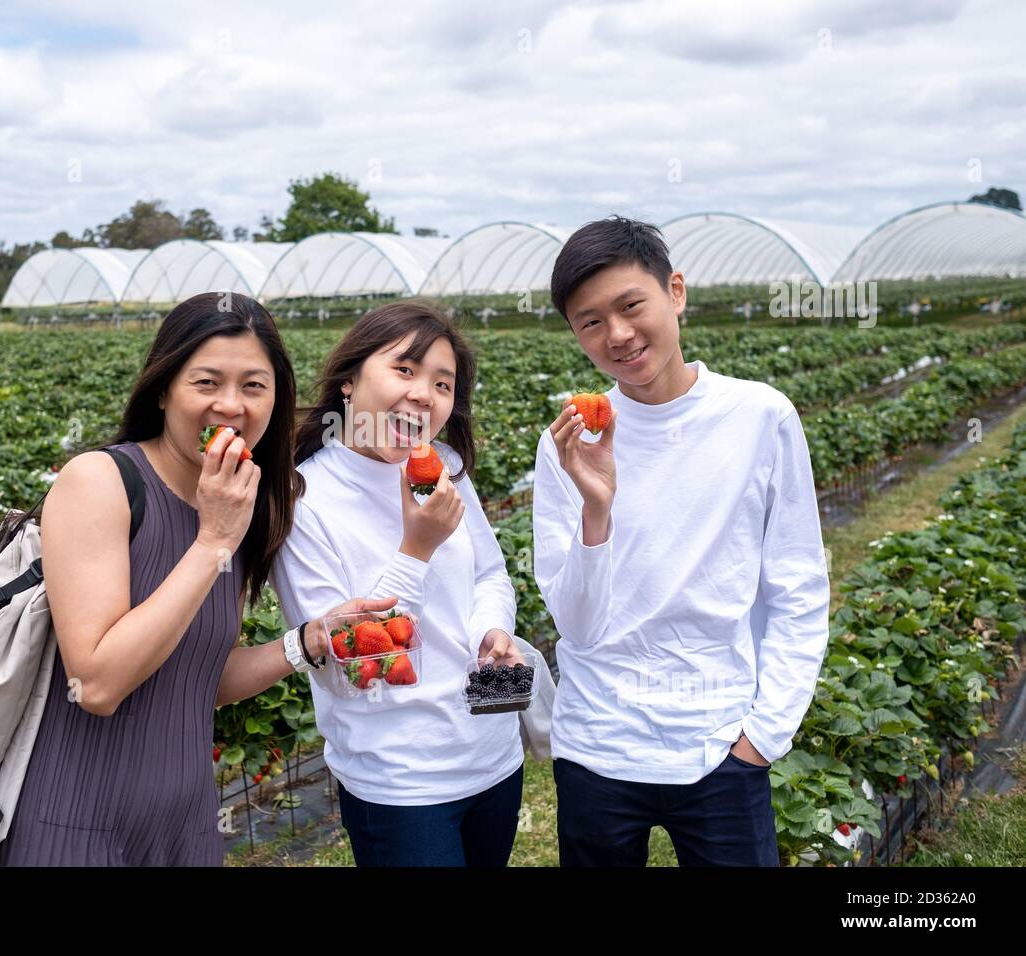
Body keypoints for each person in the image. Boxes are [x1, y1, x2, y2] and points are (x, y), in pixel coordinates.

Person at [0, 291, 391, 866]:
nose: (231, 405)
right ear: (162, 389)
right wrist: (213, 541)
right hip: (74, 825)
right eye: (206, 383)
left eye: (254, 386)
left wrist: (307, 640)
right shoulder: (101, 482)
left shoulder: (234, 499)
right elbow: (100, 685)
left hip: (187, 829)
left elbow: (198, 676)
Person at [534, 216, 830, 867]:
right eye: (590, 321)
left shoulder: (760, 416)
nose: (616, 334)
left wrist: (763, 735)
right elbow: (576, 626)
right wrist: (596, 511)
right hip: (597, 748)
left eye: (631, 305)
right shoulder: (567, 443)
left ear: (675, 292)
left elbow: (799, 586)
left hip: (721, 741)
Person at [270, 300, 525, 867]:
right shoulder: (304, 501)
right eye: (404, 371)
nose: (423, 394)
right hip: (402, 781)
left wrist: (492, 629)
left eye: (442, 383)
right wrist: (418, 549)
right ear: (348, 381)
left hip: (492, 752)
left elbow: (490, 573)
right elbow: (348, 669)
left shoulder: (447, 465)